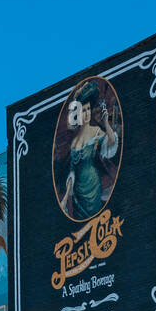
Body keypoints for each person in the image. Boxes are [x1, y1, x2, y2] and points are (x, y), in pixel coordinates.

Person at [58, 81, 120, 221]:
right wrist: (66, 197)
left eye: (87, 110)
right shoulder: (74, 142)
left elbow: (111, 142)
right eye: (83, 110)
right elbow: (72, 173)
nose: (85, 114)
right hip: (78, 193)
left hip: (93, 187)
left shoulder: (97, 132)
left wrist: (106, 124)